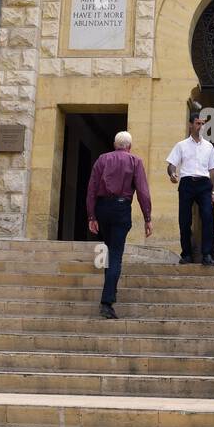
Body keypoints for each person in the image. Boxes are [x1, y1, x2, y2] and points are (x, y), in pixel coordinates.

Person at [85, 131, 152, 319]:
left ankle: (109, 294)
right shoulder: (135, 161)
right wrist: (147, 217)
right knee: (115, 254)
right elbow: (143, 191)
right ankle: (107, 302)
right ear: (129, 146)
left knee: (108, 250)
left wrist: (91, 216)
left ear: (115, 145)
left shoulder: (102, 159)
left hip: (102, 208)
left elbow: (91, 188)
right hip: (121, 208)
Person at [166, 113, 214, 266]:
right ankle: (187, 254)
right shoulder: (181, 145)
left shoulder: (208, 146)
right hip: (187, 183)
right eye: (197, 123)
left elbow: (212, 171)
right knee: (184, 220)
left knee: (208, 218)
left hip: (204, 185)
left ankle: (207, 254)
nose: (200, 126)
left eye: (202, 123)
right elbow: (171, 164)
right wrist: (172, 174)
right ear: (190, 125)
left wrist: (213, 192)